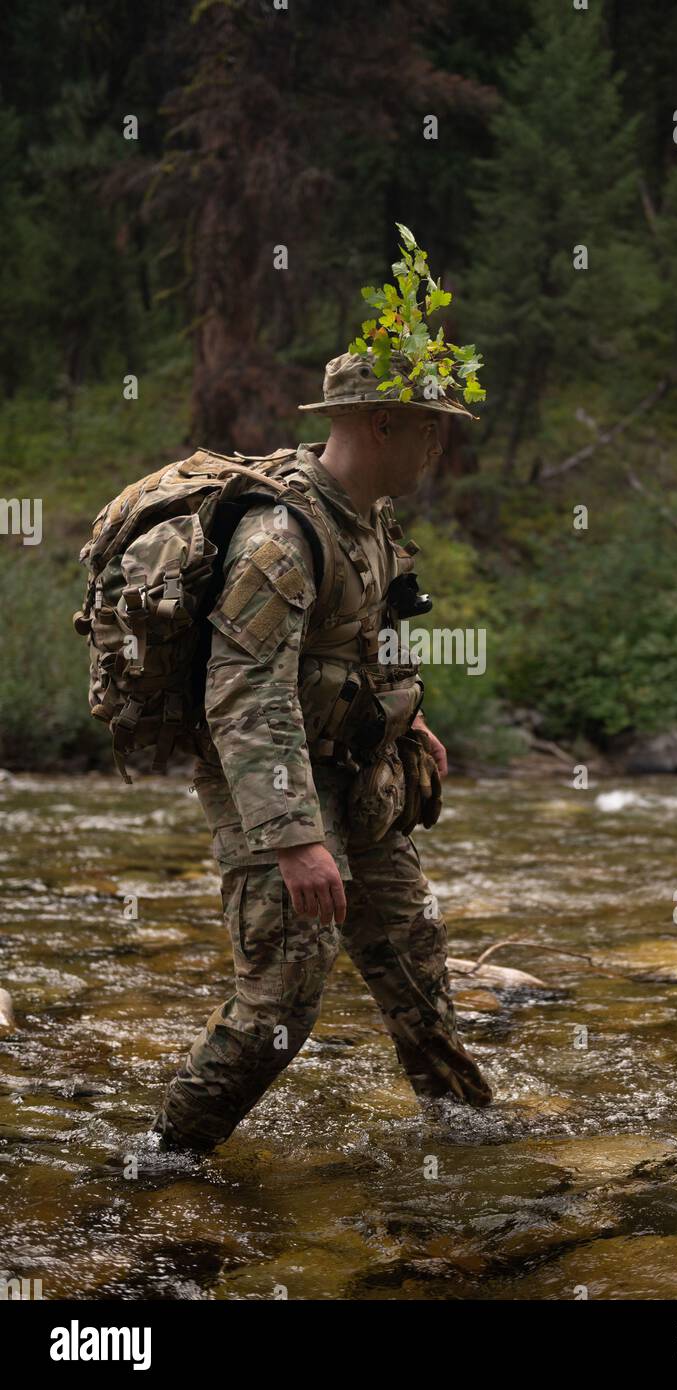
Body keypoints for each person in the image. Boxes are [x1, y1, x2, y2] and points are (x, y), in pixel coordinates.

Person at [152, 350, 494, 1152]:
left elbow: (353, 640)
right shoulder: (280, 537)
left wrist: (405, 720)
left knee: (414, 955)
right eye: (430, 429)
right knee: (282, 997)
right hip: (273, 787)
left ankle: (468, 1133)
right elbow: (243, 690)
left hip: (353, 769)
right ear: (382, 423)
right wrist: (297, 838)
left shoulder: (366, 518)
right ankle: (160, 1163)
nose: (438, 448)